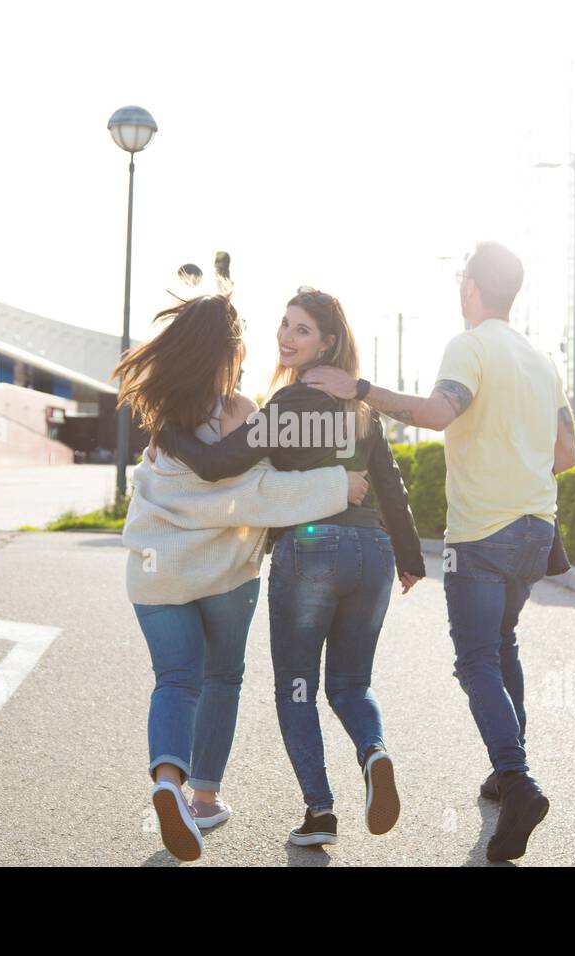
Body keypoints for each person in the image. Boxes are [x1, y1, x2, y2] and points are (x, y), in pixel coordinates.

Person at [303, 241, 575, 862]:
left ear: (473, 287)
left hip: (482, 533)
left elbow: (435, 413)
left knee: (476, 659)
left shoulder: (471, 345)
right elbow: (567, 454)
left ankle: (517, 780)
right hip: (538, 528)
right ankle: (505, 773)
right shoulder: (542, 359)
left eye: (462, 280)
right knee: (503, 646)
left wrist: (362, 388)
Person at [158, 286, 425, 847]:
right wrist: (408, 557)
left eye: (302, 330)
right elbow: (390, 485)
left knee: (297, 687)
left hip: (310, 549)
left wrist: (166, 425)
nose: (286, 336)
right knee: (352, 684)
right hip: (372, 552)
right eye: (285, 325)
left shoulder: (285, 407)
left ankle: (321, 811)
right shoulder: (362, 408)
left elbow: (214, 465)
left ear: (327, 342)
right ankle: (374, 753)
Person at [116, 292, 369, 862]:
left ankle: (166, 783)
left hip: (156, 572)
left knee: (175, 680)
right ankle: (204, 800)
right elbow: (257, 494)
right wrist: (337, 486)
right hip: (226, 575)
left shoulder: (161, 419)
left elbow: (190, 487)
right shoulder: (240, 411)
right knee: (222, 676)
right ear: (230, 353)